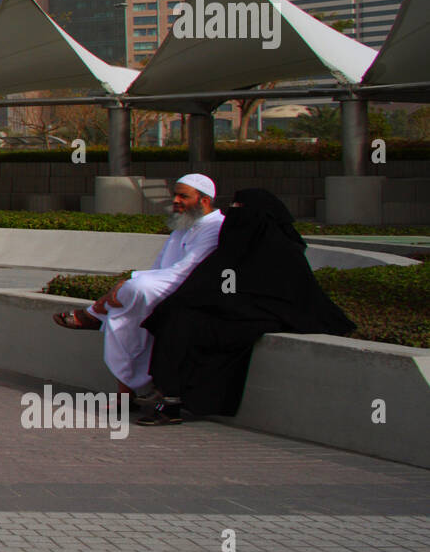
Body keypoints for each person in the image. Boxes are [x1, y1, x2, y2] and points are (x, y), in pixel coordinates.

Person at [138, 188, 356, 425]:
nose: (234, 214)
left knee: (186, 325)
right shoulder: (234, 246)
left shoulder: (283, 253)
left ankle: (169, 399)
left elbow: (288, 300)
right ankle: (167, 398)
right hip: (232, 313)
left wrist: (224, 304)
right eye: (233, 208)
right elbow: (207, 284)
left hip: (264, 316)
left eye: (241, 209)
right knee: (177, 317)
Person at [53, 174, 225, 404]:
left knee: (133, 291)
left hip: (191, 289)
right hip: (166, 284)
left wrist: (132, 281)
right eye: (175, 195)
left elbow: (186, 270)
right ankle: (125, 395)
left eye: (183, 196)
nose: (175, 200)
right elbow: (159, 267)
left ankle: (95, 314)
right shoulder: (182, 226)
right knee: (125, 309)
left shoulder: (214, 228)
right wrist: (132, 283)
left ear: (204, 200)